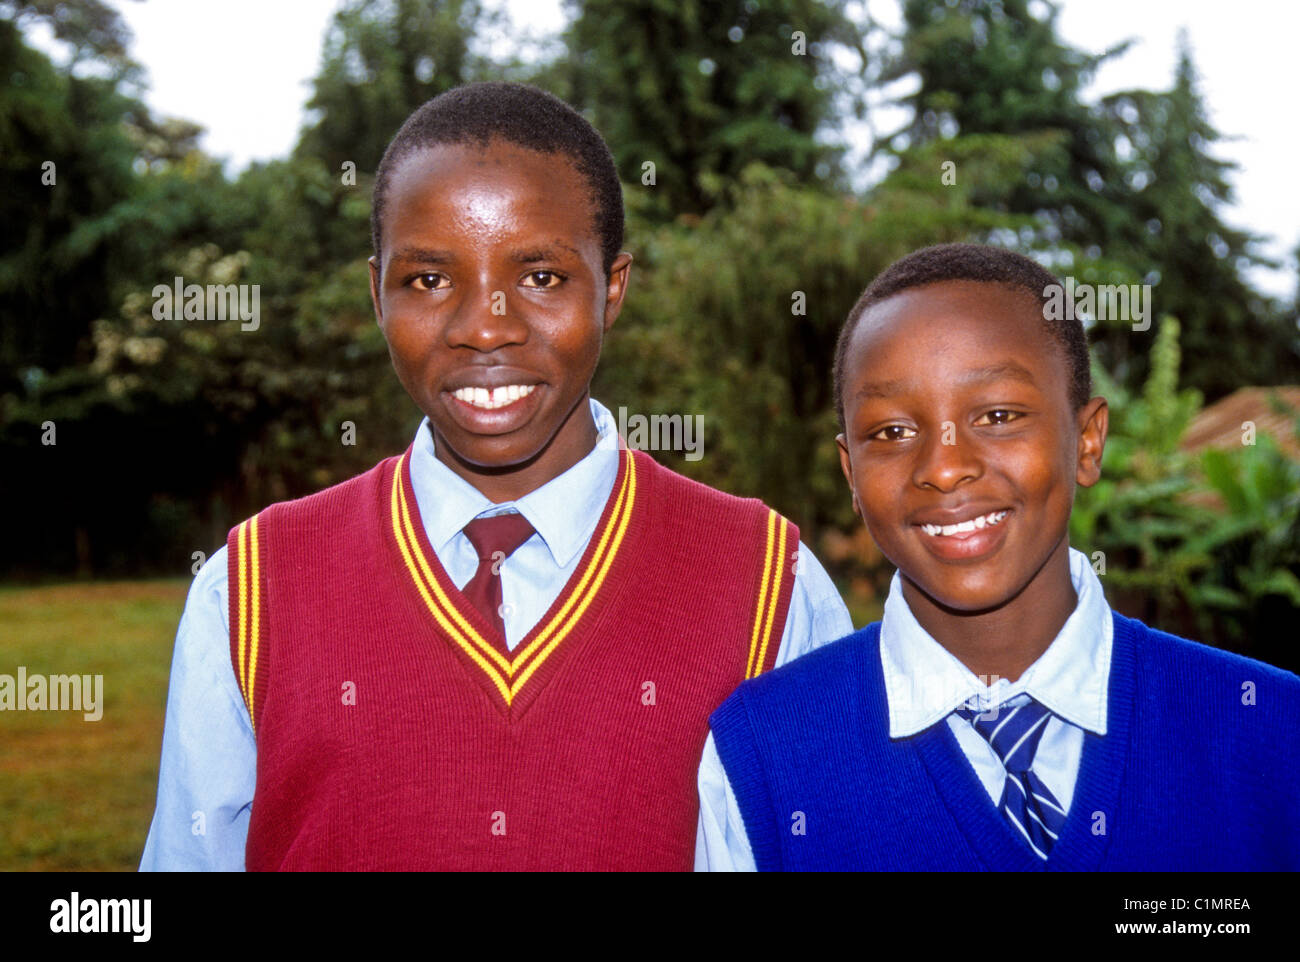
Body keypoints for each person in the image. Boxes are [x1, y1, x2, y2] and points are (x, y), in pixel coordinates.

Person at [139, 82, 851, 871]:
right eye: (429, 280)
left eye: (542, 277)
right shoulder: (248, 591)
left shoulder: (769, 587)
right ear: (376, 292)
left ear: (612, 288)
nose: (485, 326)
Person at [696, 242, 1300, 871]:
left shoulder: (1271, 734)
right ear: (851, 471)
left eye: (999, 415)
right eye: (893, 432)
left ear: (1088, 440)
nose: (945, 467)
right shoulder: (763, 758)